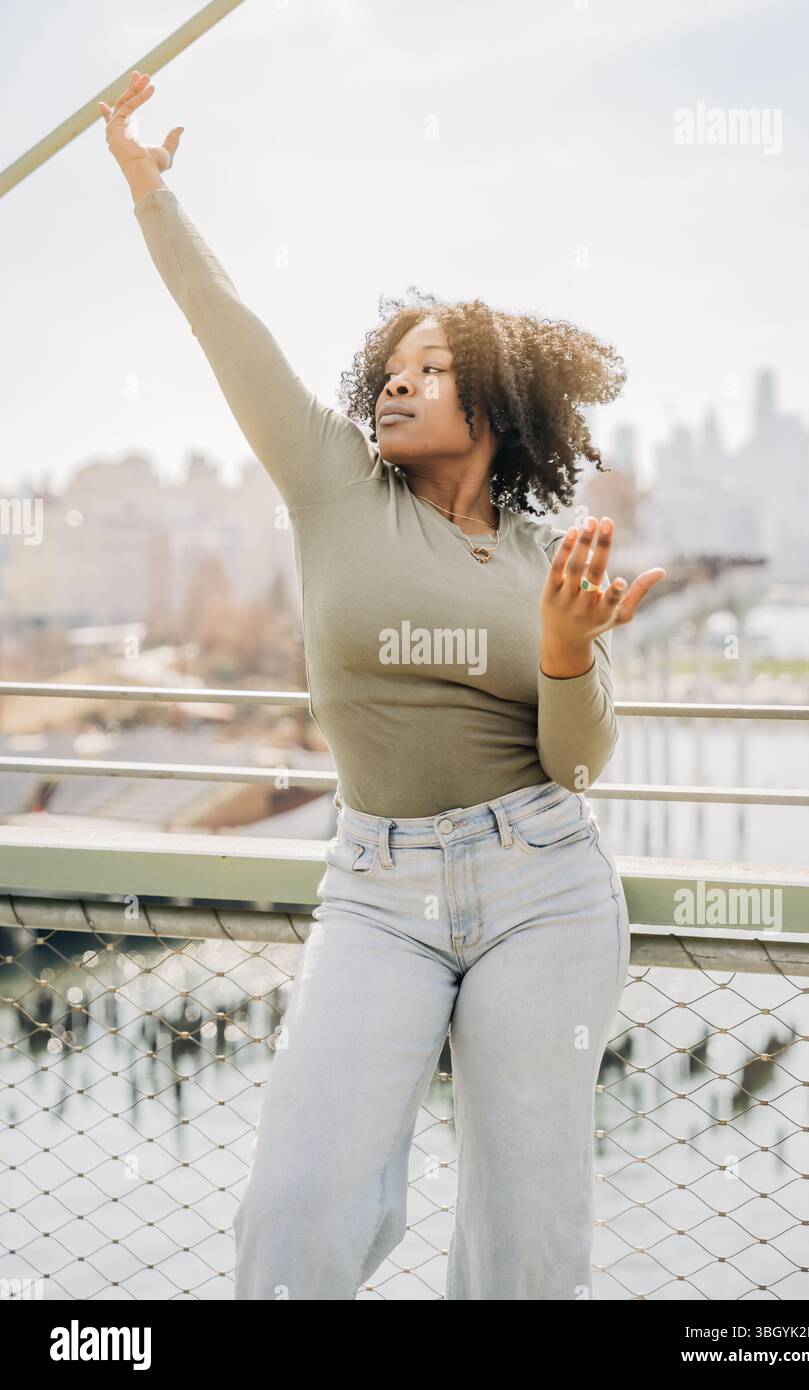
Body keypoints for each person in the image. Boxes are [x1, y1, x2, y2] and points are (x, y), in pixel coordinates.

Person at [100, 71, 666, 1301]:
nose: (400, 383)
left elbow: (575, 765)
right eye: (393, 367)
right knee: (292, 1218)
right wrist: (150, 189)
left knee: (525, 1252)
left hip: (543, 889)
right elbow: (224, 319)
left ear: (501, 409)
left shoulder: (539, 560)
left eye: (435, 367)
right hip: (377, 892)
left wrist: (568, 652)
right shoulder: (331, 484)